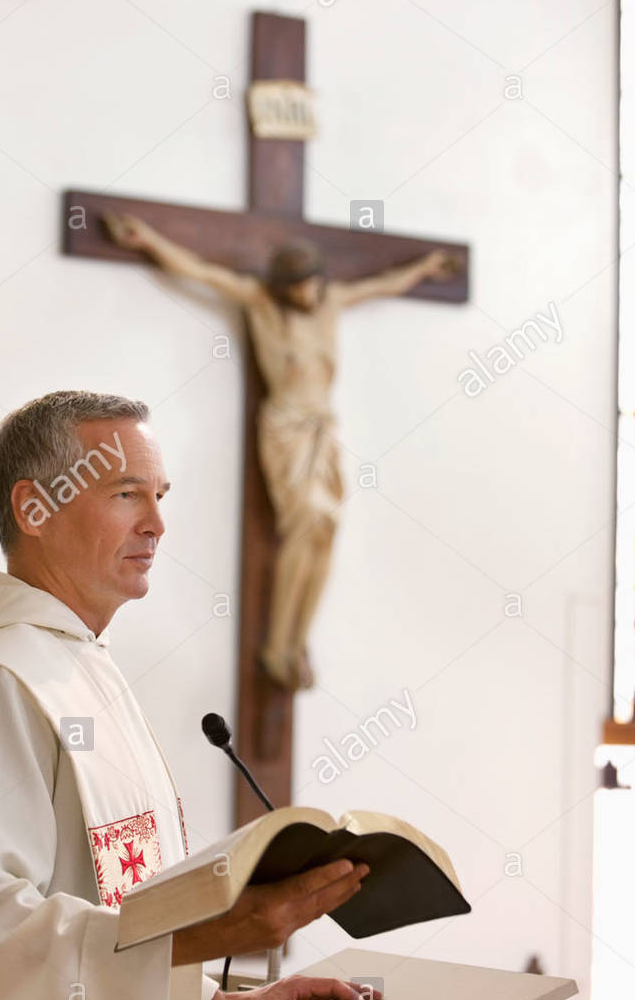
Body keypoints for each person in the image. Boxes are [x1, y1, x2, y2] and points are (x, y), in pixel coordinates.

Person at [0, 389, 374, 1000]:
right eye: (127, 493)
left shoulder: (81, 668)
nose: (158, 524)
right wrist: (216, 934)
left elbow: (106, 899)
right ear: (34, 509)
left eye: (159, 495)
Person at [104, 213, 460, 689]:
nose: (304, 296)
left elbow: (382, 285)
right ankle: (276, 645)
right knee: (305, 520)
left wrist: (425, 267)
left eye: (309, 286)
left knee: (327, 525)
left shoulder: (330, 302)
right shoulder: (260, 303)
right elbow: (199, 271)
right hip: (286, 429)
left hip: (322, 429)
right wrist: (147, 237)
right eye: (295, 288)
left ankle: (297, 642)